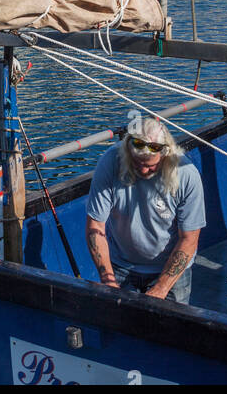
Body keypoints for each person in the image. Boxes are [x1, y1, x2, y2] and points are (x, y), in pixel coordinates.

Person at [85, 112, 206, 303]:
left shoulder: (186, 175)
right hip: (121, 266)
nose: (142, 170)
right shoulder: (110, 162)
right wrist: (107, 279)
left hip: (169, 269)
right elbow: (95, 227)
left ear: (165, 156)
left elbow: (189, 239)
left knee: (169, 329)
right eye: (136, 163)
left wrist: (161, 288)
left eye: (150, 166)